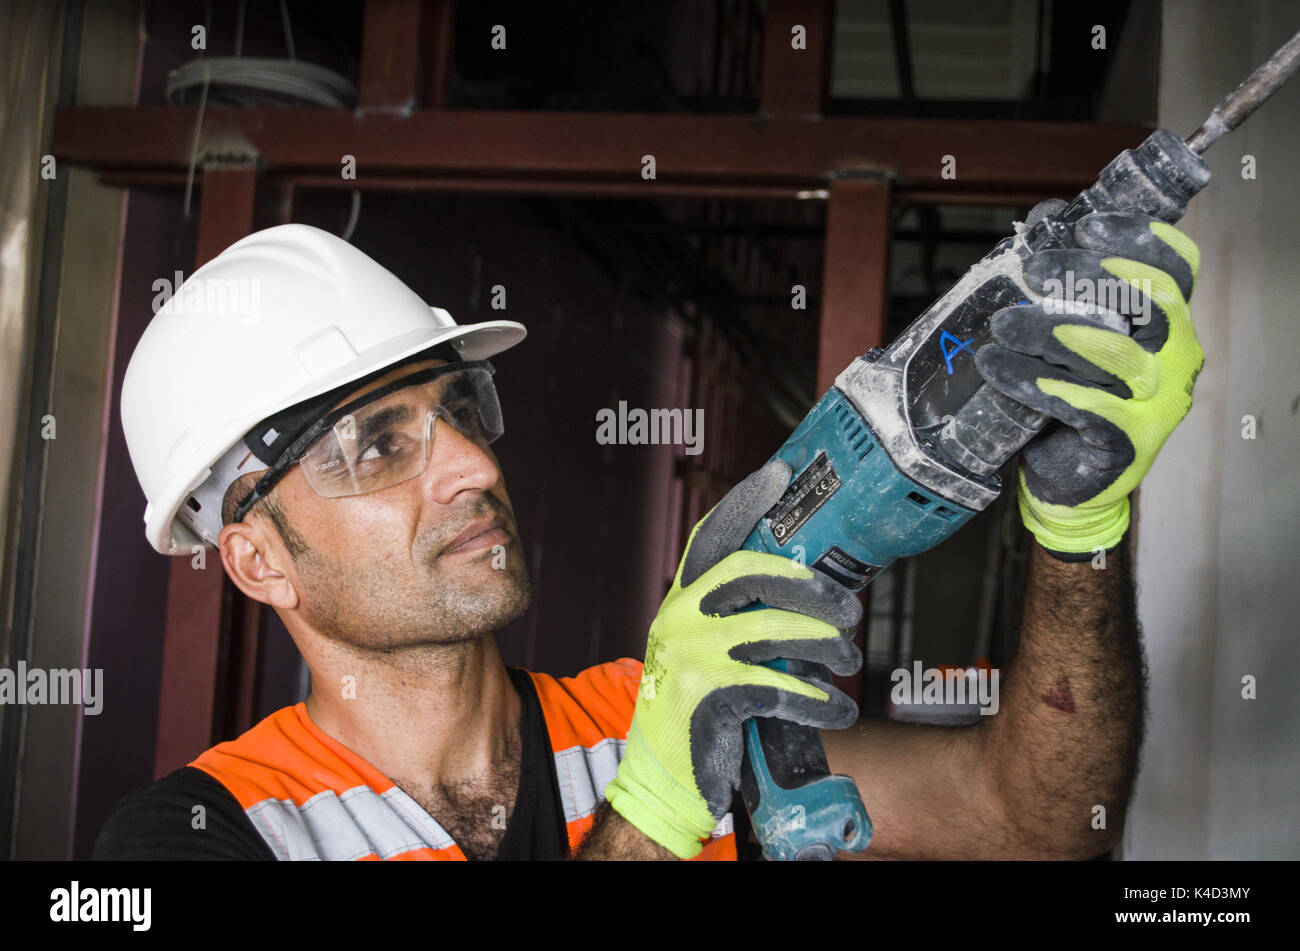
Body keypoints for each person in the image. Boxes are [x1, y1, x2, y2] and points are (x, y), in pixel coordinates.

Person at [94, 209, 1204, 860]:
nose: (475, 466)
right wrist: (658, 810)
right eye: (378, 448)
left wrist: (1079, 526)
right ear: (257, 557)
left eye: (461, 411)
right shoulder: (208, 836)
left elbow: (1039, 821)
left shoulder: (651, 713)